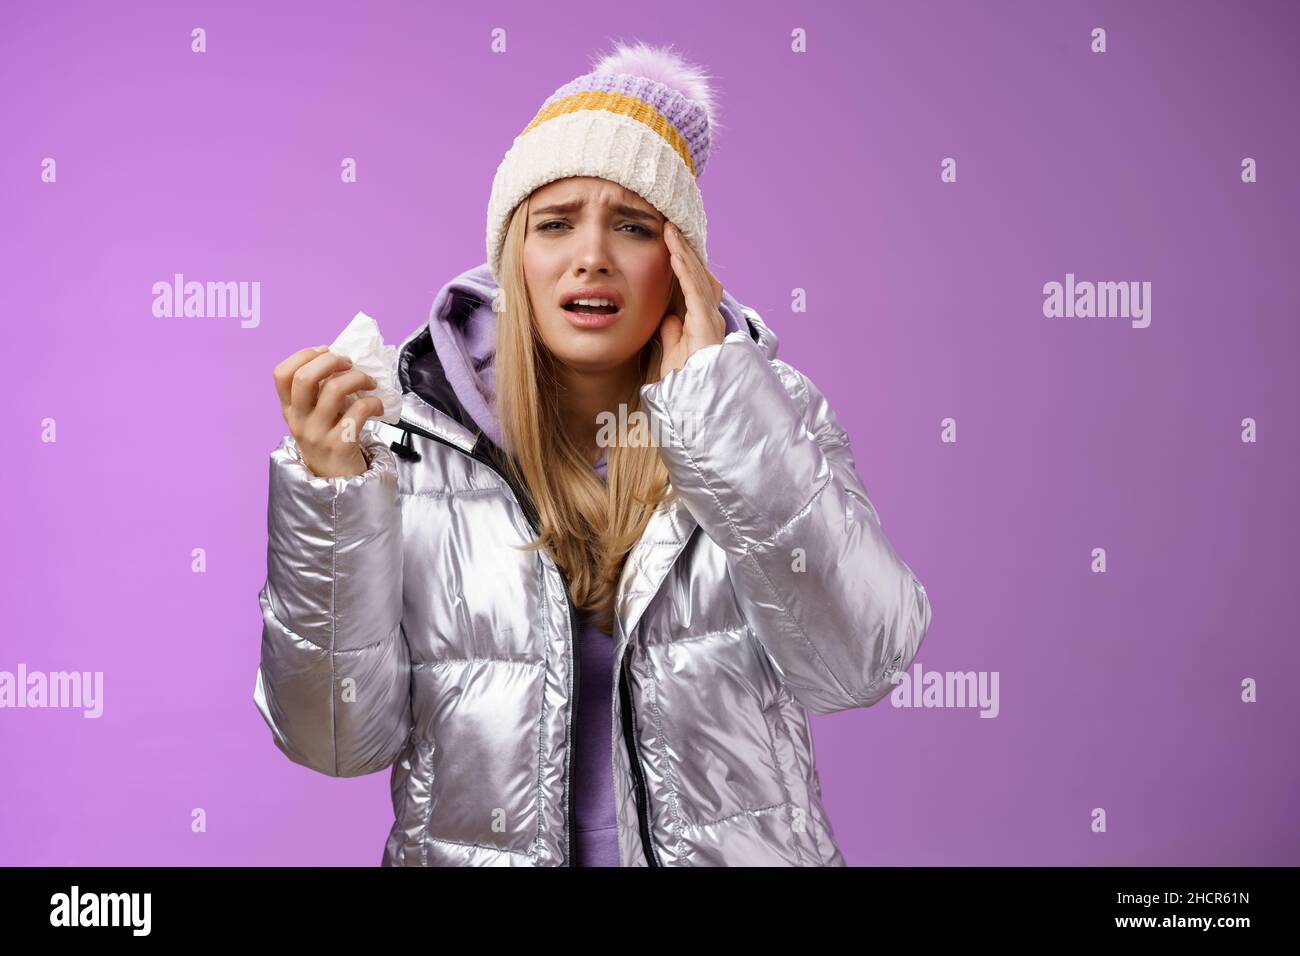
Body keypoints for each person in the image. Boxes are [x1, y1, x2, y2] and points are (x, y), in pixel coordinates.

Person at [253, 40, 932, 867]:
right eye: (556, 222)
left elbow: (860, 664)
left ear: (682, 267)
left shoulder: (769, 414)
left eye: (634, 225)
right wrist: (332, 502)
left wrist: (721, 408)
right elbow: (333, 739)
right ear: (514, 262)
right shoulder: (413, 446)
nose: (592, 255)